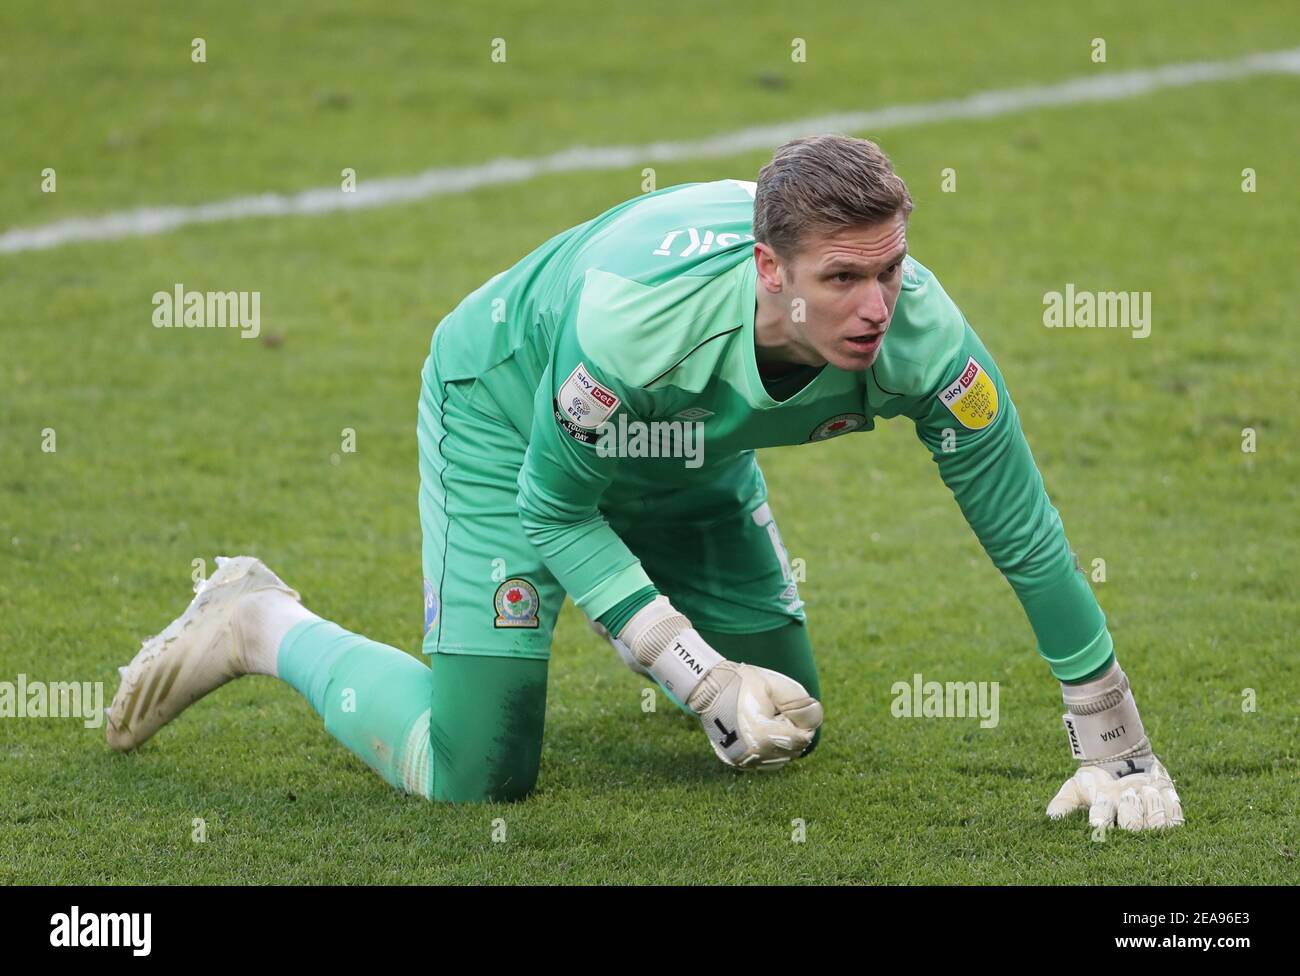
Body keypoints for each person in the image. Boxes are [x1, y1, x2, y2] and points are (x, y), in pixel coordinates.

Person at [107, 134, 1182, 829]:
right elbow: (553, 500)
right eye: (841, 278)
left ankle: (634, 590)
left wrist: (1115, 743)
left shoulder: (924, 340)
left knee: (793, 716)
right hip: (511, 415)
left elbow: (1025, 534)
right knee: (478, 769)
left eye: (890, 270)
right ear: (771, 272)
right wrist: (695, 674)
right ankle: (259, 620)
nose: (875, 307)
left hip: (689, 452)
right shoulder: (637, 320)